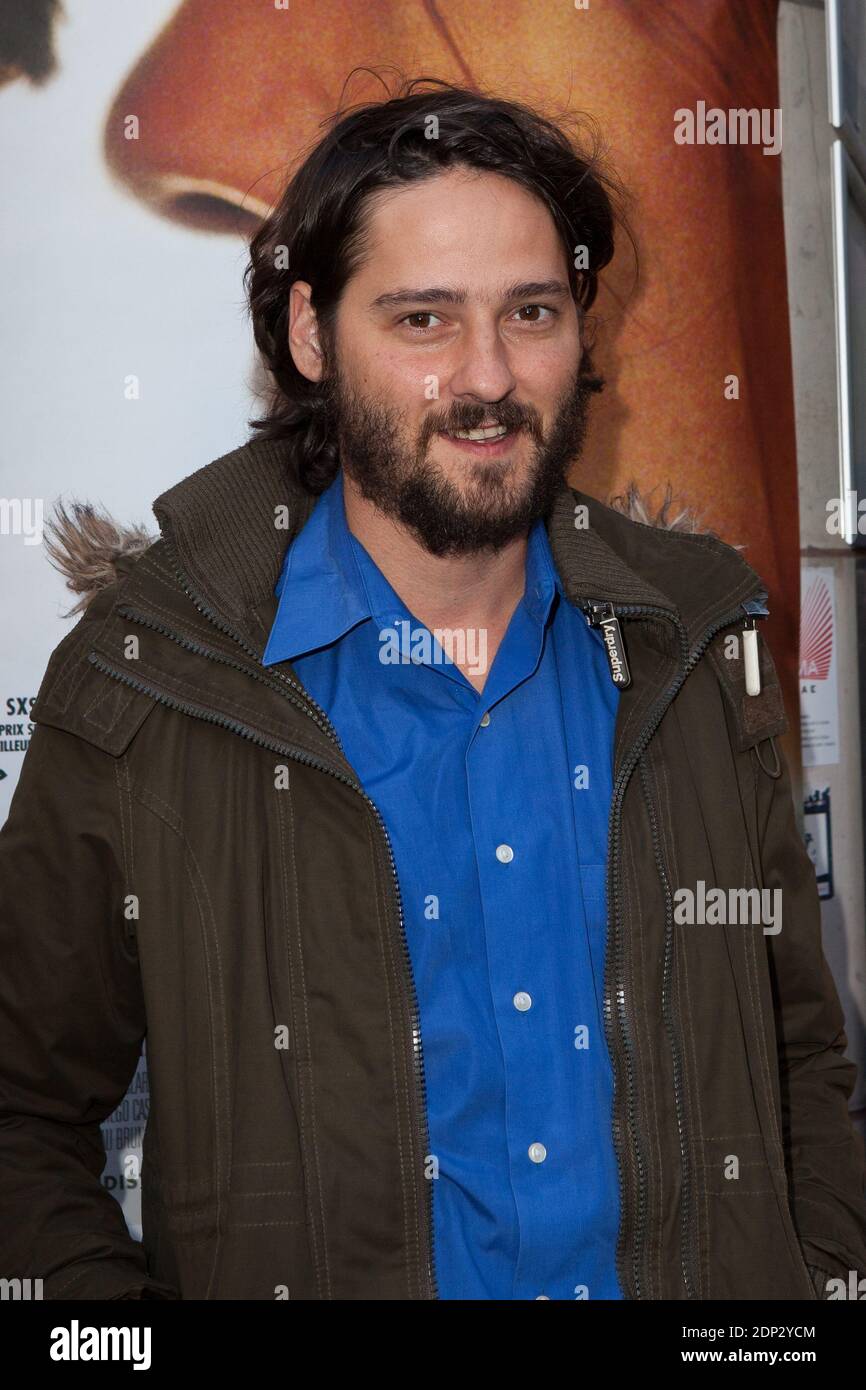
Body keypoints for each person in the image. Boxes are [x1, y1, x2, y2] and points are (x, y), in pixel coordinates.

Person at [1, 77, 864, 1301]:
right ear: (309, 335)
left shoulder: (693, 651)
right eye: (421, 320)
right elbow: (20, 1113)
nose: (488, 376)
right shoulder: (145, 683)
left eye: (530, 311)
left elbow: (800, 1063)